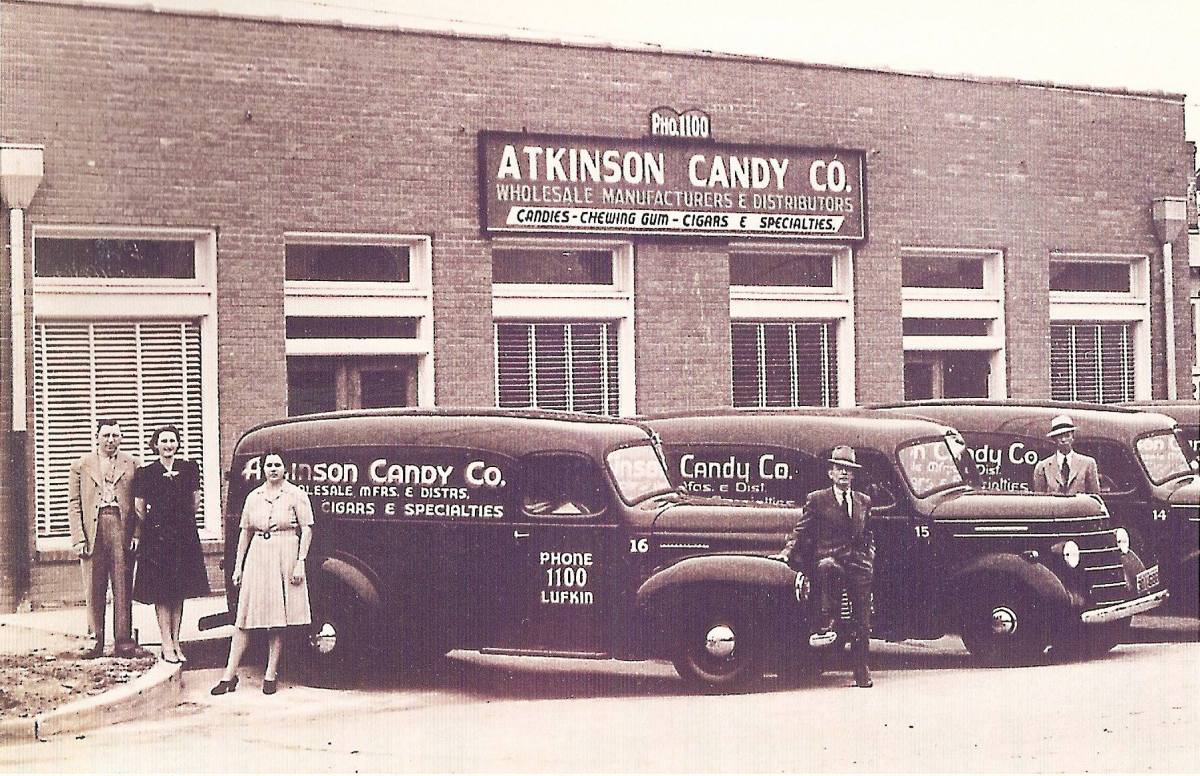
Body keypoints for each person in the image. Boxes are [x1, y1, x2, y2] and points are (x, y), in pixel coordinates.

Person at [770, 445, 876, 688]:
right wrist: (786, 552)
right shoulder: (818, 499)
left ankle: (861, 670)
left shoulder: (863, 501)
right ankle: (827, 621)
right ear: (830, 473)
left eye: (848, 471)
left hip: (858, 564)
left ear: (854, 475)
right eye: (839, 470)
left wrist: (869, 557)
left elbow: (868, 533)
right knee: (828, 567)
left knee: (863, 620)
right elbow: (801, 529)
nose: (844, 475)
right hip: (831, 558)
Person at [211, 450, 314, 696]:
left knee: (277, 619)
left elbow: (307, 529)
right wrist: (238, 566)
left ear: (285, 469)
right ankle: (229, 674)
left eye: (278, 465)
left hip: (285, 554)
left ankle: (270, 673)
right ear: (263, 469)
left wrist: (300, 561)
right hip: (258, 555)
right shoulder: (253, 496)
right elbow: (245, 531)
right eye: (269, 465)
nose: (273, 469)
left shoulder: (296, 495)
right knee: (244, 617)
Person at [131, 425, 211, 663]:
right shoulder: (146, 472)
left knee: (179, 592)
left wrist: (180, 520)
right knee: (162, 593)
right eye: (163, 441)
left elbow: (195, 501)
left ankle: (176, 642)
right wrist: (158, 524)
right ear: (155, 444)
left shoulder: (188, 468)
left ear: (177, 444)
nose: (168, 445)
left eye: (172, 440)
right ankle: (165, 643)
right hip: (157, 538)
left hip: (184, 536)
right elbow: (139, 506)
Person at [67, 418, 141, 658]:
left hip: (121, 527)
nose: (111, 440)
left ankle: (123, 641)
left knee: (122, 585)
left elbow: (141, 504)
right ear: (97, 436)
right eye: (106, 435)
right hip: (93, 530)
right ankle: (95, 640)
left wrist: (136, 533)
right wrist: (78, 537)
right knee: (93, 586)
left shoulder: (132, 464)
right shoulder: (82, 464)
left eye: (116, 436)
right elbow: (74, 504)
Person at [1033, 415, 1101, 495]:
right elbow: (1040, 501)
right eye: (1059, 437)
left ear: (1073, 437)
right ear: (1054, 439)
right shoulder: (1043, 467)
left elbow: (1095, 497)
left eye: (1067, 436)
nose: (1063, 440)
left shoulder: (1088, 464)